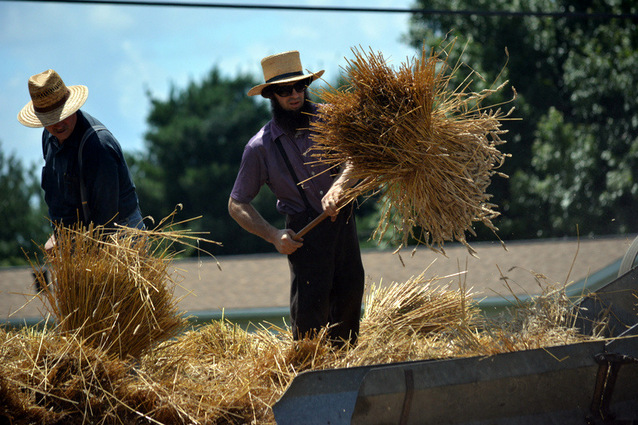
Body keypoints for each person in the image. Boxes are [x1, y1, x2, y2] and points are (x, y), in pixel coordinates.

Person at [228, 51, 365, 346]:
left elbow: (358, 158)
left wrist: (340, 185)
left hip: (344, 224)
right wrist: (274, 235)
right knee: (309, 323)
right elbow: (237, 204)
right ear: (271, 96)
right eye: (284, 90)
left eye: (300, 87)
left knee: (350, 302)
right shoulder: (259, 147)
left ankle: (347, 372)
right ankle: (312, 380)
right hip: (304, 237)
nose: (294, 95)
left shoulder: (331, 119)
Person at [18, 69, 144, 253]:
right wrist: (58, 235)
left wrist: (77, 247)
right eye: (50, 119)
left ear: (72, 107)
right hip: (81, 236)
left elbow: (106, 218)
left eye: (62, 115)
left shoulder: (97, 146)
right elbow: (57, 198)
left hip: (118, 236)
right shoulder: (49, 137)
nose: (58, 124)